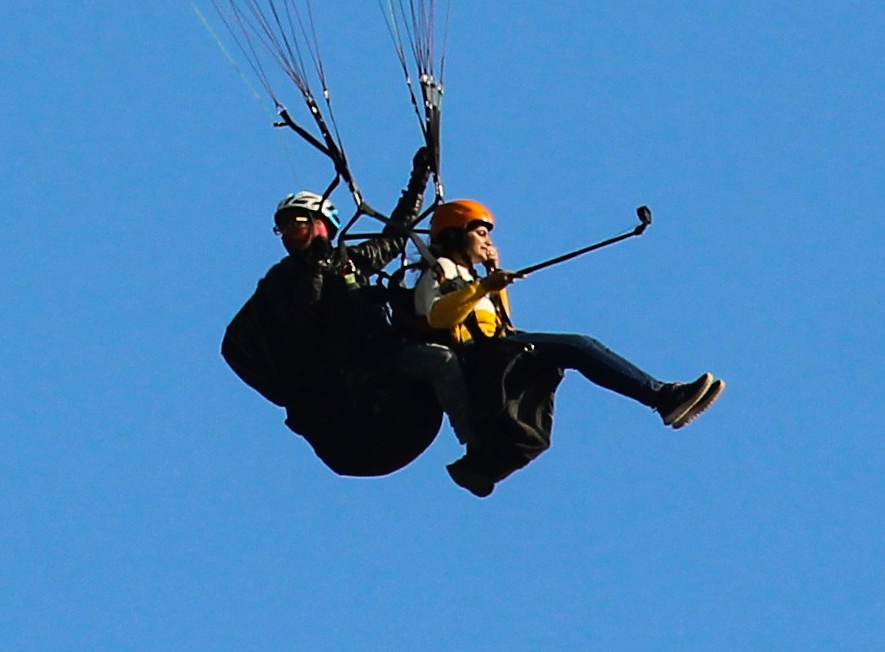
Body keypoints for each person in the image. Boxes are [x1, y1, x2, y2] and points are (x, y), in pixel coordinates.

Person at [405, 194, 727, 495]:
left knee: (565, 360)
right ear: (454, 236)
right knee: (578, 346)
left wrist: (490, 277)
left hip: (496, 354)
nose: (488, 240)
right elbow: (437, 317)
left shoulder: (472, 277)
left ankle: (486, 464)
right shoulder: (440, 271)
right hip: (478, 358)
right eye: (480, 233)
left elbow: (497, 318)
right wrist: (483, 286)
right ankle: (664, 397)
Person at [220, 186, 448, 478]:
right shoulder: (280, 280)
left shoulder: (347, 260)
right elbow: (303, 318)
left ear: (322, 223)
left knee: (443, 351)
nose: (289, 231)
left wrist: (420, 178)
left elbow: (394, 238)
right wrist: (314, 270)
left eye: (296, 222)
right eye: (284, 227)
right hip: (344, 421)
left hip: (392, 406)